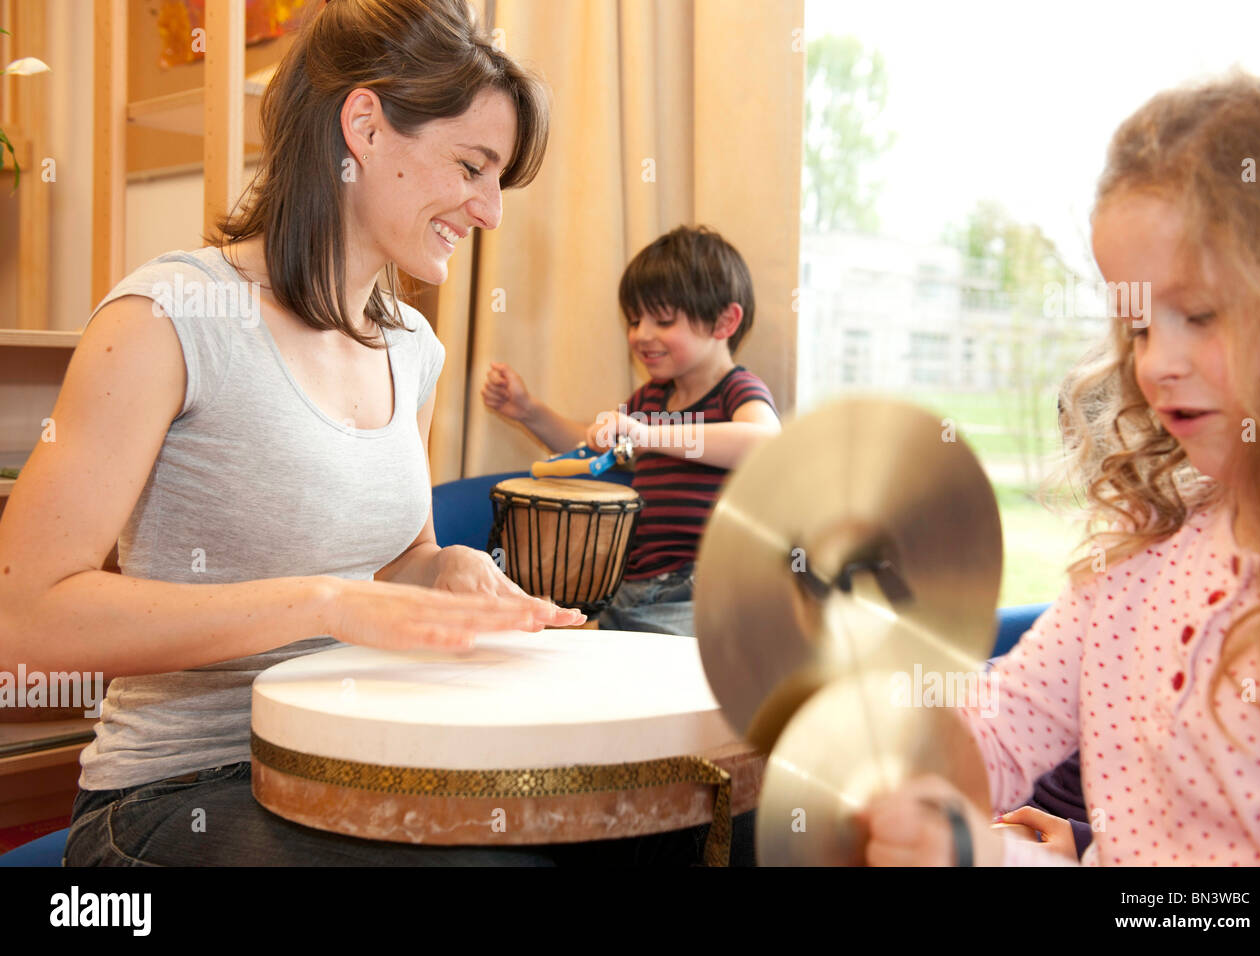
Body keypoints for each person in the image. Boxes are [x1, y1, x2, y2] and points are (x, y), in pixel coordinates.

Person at [0, 0, 734, 866]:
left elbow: (400, 559)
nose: (490, 210)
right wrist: (324, 600)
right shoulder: (167, 317)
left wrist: (450, 571)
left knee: (662, 828)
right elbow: (25, 621)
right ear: (365, 125)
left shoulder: (413, 348)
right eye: (471, 166)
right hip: (183, 789)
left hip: (370, 760)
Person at [861, 68, 1260, 866]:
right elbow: (1003, 720)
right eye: (1135, 327)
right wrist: (918, 791)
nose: (1156, 363)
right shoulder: (1141, 557)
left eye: (1197, 316)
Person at [481, 225, 782, 635]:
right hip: (633, 588)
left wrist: (647, 434)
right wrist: (529, 411)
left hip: (705, 591)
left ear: (724, 321)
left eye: (662, 319)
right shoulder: (652, 398)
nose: (641, 334)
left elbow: (764, 442)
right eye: (635, 320)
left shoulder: (737, 390)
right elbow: (590, 444)